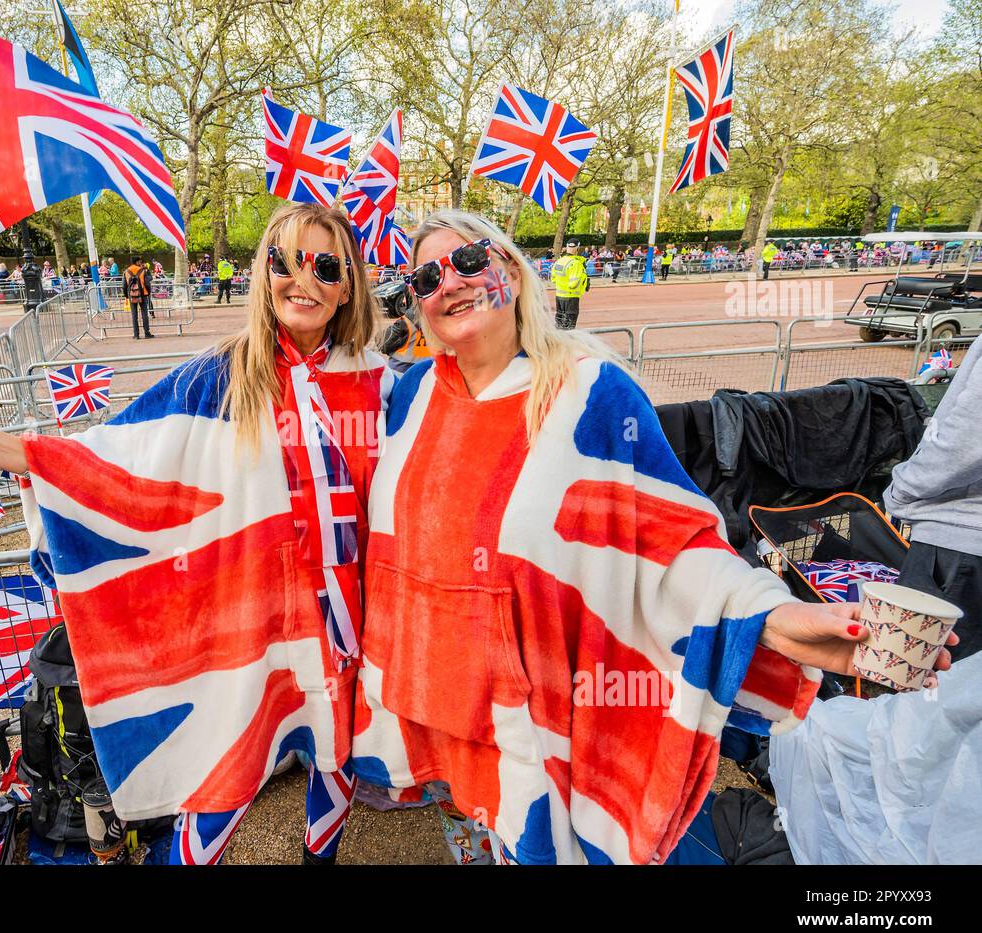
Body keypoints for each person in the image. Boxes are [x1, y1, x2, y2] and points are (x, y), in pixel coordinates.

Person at [349, 210, 955, 866]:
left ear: (511, 274)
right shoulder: (409, 399)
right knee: (478, 845)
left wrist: (775, 619)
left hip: (551, 719)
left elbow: (672, 540)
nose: (451, 283)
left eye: (469, 261)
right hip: (448, 710)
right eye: (426, 275)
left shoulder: (587, 392)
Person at [0, 203, 389, 865]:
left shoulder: (377, 382)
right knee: (227, 772)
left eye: (326, 265)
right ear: (262, 273)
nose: (302, 280)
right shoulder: (218, 376)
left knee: (337, 757)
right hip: (248, 632)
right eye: (285, 260)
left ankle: (320, 860)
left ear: (348, 287)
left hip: (348, 623)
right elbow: (114, 459)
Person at [884, 335, 982, 661]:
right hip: (962, 543)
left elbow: (967, 443)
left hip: (960, 545)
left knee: (920, 688)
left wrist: (903, 490)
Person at [549, 239, 588, 329]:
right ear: (578, 248)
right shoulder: (576, 264)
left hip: (559, 296)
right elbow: (574, 284)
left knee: (559, 323)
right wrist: (583, 278)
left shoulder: (560, 261)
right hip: (571, 298)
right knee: (569, 326)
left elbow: (553, 279)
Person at [123, 256, 153, 339]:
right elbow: (147, 283)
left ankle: (136, 335)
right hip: (143, 294)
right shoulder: (142, 271)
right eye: (139, 261)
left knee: (134, 315)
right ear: (136, 262)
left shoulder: (126, 271)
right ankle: (147, 333)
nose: (140, 263)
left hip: (131, 294)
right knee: (144, 314)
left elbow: (124, 285)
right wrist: (148, 292)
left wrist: (127, 295)